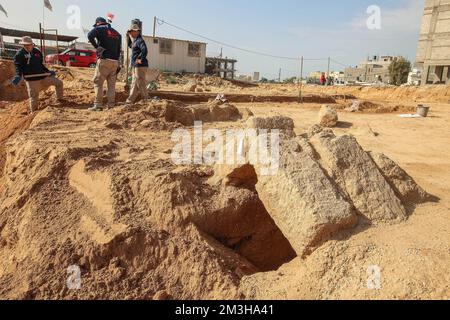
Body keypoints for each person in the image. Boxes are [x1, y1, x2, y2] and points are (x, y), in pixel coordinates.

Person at [12, 36, 64, 114]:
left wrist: (48, 71)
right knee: (34, 97)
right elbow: (18, 66)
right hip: (31, 80)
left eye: (28, 44)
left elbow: (41, 64)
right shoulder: (20, 54)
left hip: (43, 77)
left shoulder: (37, 52)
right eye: (25, 45)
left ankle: (60, 100)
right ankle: (34, 113)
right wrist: (18, 75)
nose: (27, 46)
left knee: (59, 83)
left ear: (32, 44)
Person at [87, 17, 122, 111]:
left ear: (98, 23)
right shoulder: (117, 33)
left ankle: (98, 105)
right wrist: (117, 61)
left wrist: (97, 47)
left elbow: (90, 35)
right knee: (111, 85)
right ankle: (111, 105)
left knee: (98, 83)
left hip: (104, 60)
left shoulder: (99, 28)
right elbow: (119, 50)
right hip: (114, 62)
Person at [126, 23, 149, 104]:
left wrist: (140, 59)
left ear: (137, 32)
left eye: (132, 31)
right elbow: (130, 45)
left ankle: (146, 100)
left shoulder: (140, 41)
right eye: (130, 31)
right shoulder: (135, 41)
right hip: (136, 66)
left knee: (141, 83)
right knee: (134, 84)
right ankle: (129, 101)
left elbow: (144, 50)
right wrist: (128, 37)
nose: (131, 33)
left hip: (140, 66)